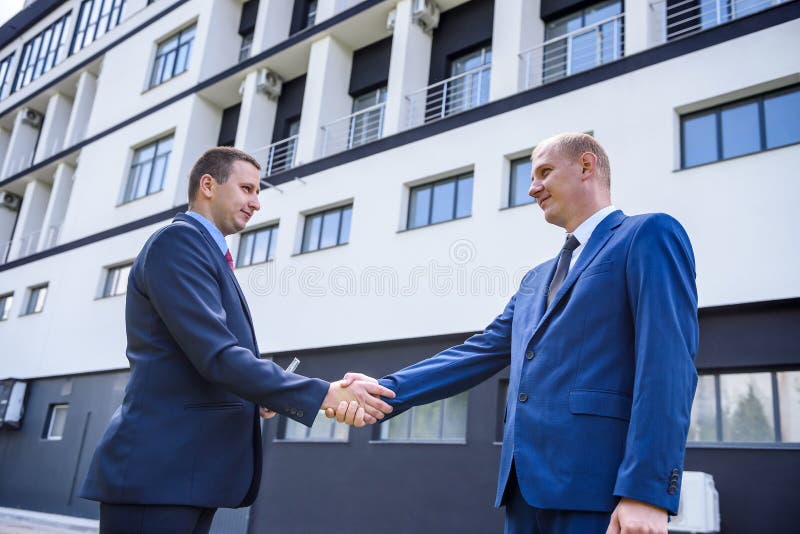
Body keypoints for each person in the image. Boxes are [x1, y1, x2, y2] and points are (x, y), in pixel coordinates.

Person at [332, 133, 699, 534]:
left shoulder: (646, 235)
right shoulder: (535, 279)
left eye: (544, 172)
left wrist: (646, 492)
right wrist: (385, 390)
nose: (532, 188)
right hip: (523, 493)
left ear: (586, 166)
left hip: (601, 494)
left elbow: (668, 365)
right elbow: (479, 351)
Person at [80, 147, 394, 534]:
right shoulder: (177, 243)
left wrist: (257, 393)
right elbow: (217, 356)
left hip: (185, 478)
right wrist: (325, 394)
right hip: (159, 477)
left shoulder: (206, 252)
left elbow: (204, 360)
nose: (256, 203)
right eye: (247, 188)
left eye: (257, 192)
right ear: (208, 185)